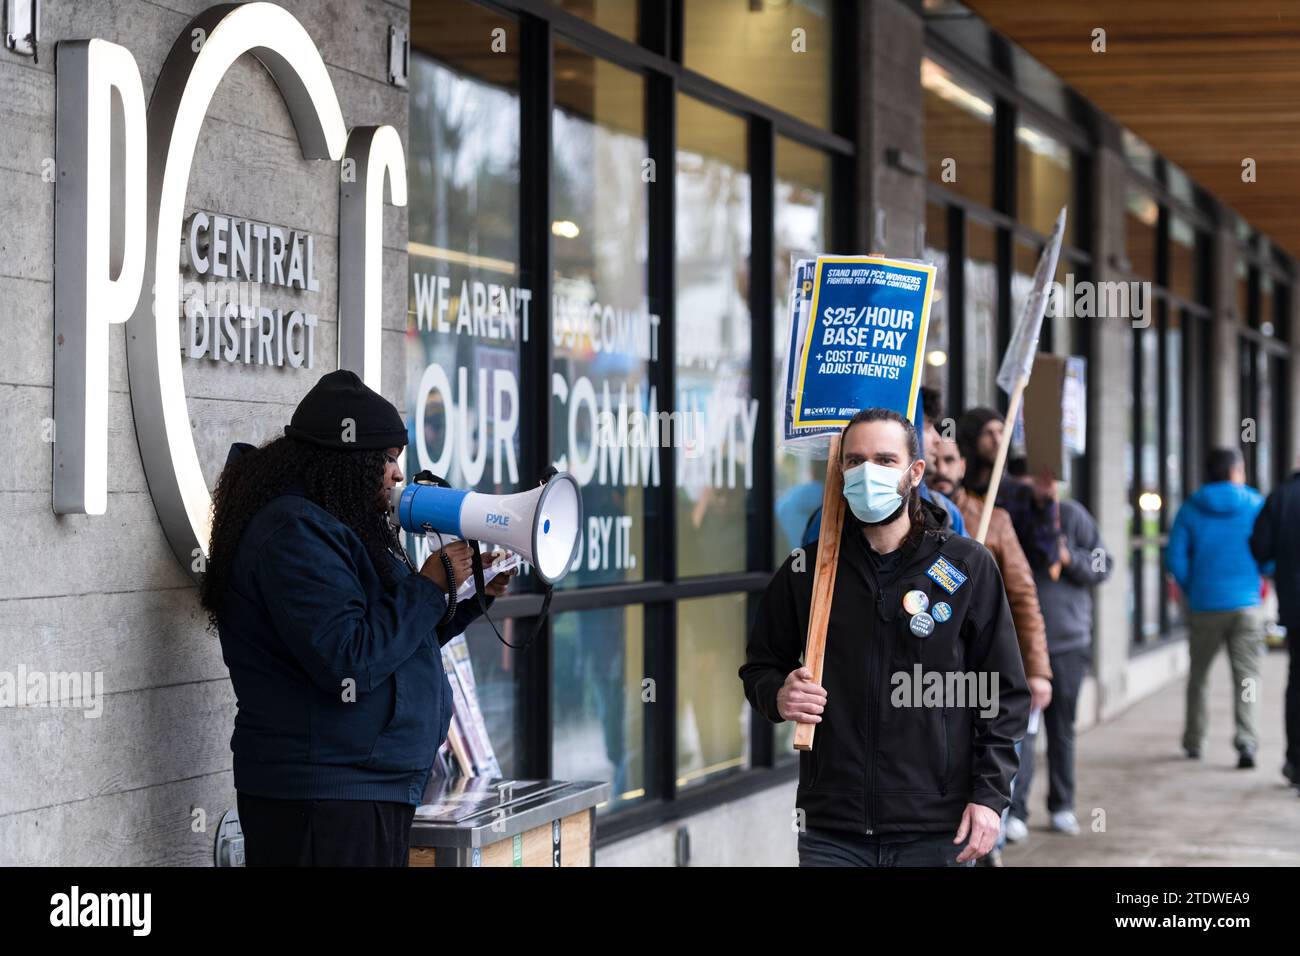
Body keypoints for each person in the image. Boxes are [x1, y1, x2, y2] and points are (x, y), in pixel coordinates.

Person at [199, 369, 516, 866]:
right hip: (324, 797)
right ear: (347, 460)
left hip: (359, 786)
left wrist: (469, 595)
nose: (396, 475)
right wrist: (430, 584)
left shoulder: (336, 525)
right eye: (387, 460)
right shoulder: (294, 533)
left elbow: (393, 641)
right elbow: (347, 659)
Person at [741, 407, 1030, 867]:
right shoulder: (810, 570)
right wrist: (779, 695)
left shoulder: (965, 566)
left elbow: (1003, 694)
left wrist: (990, 796)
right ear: (839, 471)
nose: (866, 473)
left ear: (915, 472)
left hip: (936, 826)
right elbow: (761, 666)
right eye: (854, 461)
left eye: (884, 460)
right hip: (832, 827)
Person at [929, 430, 1051, 862]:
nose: (943, 470)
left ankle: (991, 842)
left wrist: (1036, 669)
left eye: (950, 461)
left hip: (985, 674)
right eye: (935, 459)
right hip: (930, 683)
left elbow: (1023, 597)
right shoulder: (917, 520)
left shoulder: (993, 521)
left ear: (962, 467)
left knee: (994, 761)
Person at [1007, 479, 1112, 841]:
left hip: (1068, 642)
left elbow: (1103, 564)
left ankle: (1061, 806)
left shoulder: (1074, 515)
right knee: (1022, 731)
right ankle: (1015, 810)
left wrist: (1070, 558)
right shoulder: (1014, 519)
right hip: (1021, 646)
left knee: (1061, 730)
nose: (1041, 488)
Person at [1168, 447, 1265, 768]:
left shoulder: (1191, 508)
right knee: (1247, 678)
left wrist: (1193, 590)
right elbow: (1268, 549)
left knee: (1199, 676)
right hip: (1247, 604)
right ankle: (1246, 742)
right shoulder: (1254, 504)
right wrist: (1262, 580)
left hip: (1205, 604)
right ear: (1236, 471)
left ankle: (1195, 741)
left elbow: (1175, 558)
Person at [956, 407, 1060, 577]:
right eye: (988, 433)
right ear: (972, 439)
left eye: (1001, 432)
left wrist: (1044, 506)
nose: (997, 440)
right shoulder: (956, 490)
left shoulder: (1019, 494)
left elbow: (1045, 558)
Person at [1250, 458, 1300, 789]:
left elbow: (1259, 547)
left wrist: (1280, 566)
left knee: (1297, 683)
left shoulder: (1282, 496)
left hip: (1295, 606)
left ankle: (1295, 762)